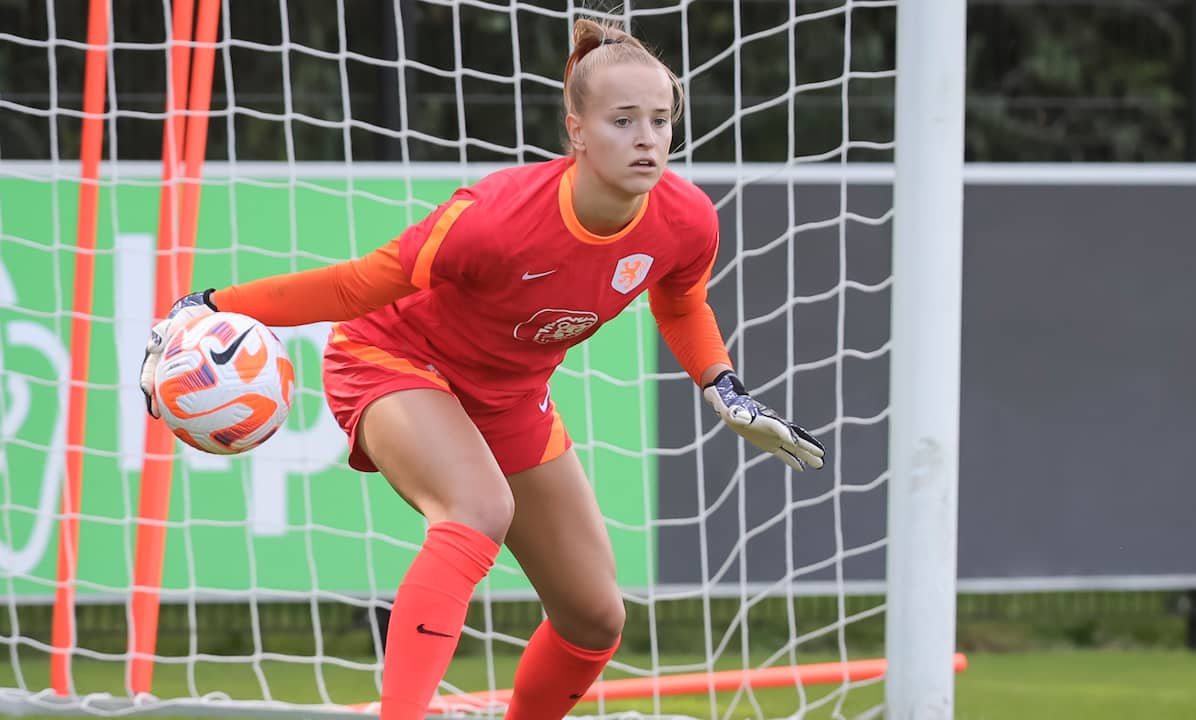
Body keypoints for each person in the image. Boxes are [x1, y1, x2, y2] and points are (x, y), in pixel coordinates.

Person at [139, 16, 824, 720]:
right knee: (478, 510)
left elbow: (681, 305)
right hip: (391, 361)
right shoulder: (494, 218)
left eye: (660, 119)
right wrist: (210, 302)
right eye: (623, 120)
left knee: (595, 617)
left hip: (509, 395)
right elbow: (352, 286)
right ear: (577, 131)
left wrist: (722, 384)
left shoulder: (686, 221)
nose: (647, 138)